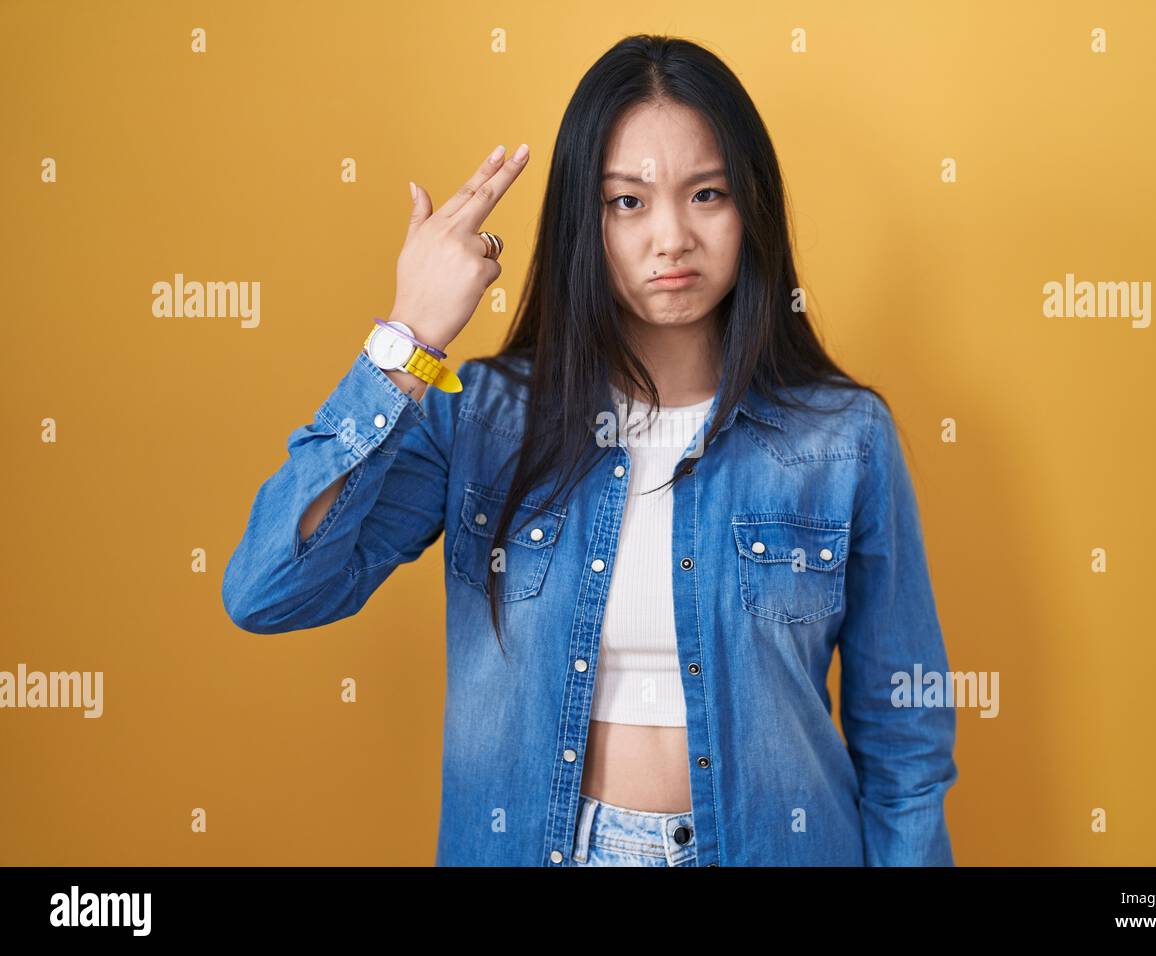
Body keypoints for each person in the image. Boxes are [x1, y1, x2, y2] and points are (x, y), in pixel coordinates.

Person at [222, 33, 957, 867]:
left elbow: (904, 739)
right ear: (584, 218)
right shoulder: (484, 421)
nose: (671, 236)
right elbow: (269, 591)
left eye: (706, 193)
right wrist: (408, 338)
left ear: (751, 206)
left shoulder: (843, 437)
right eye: (627, 202)